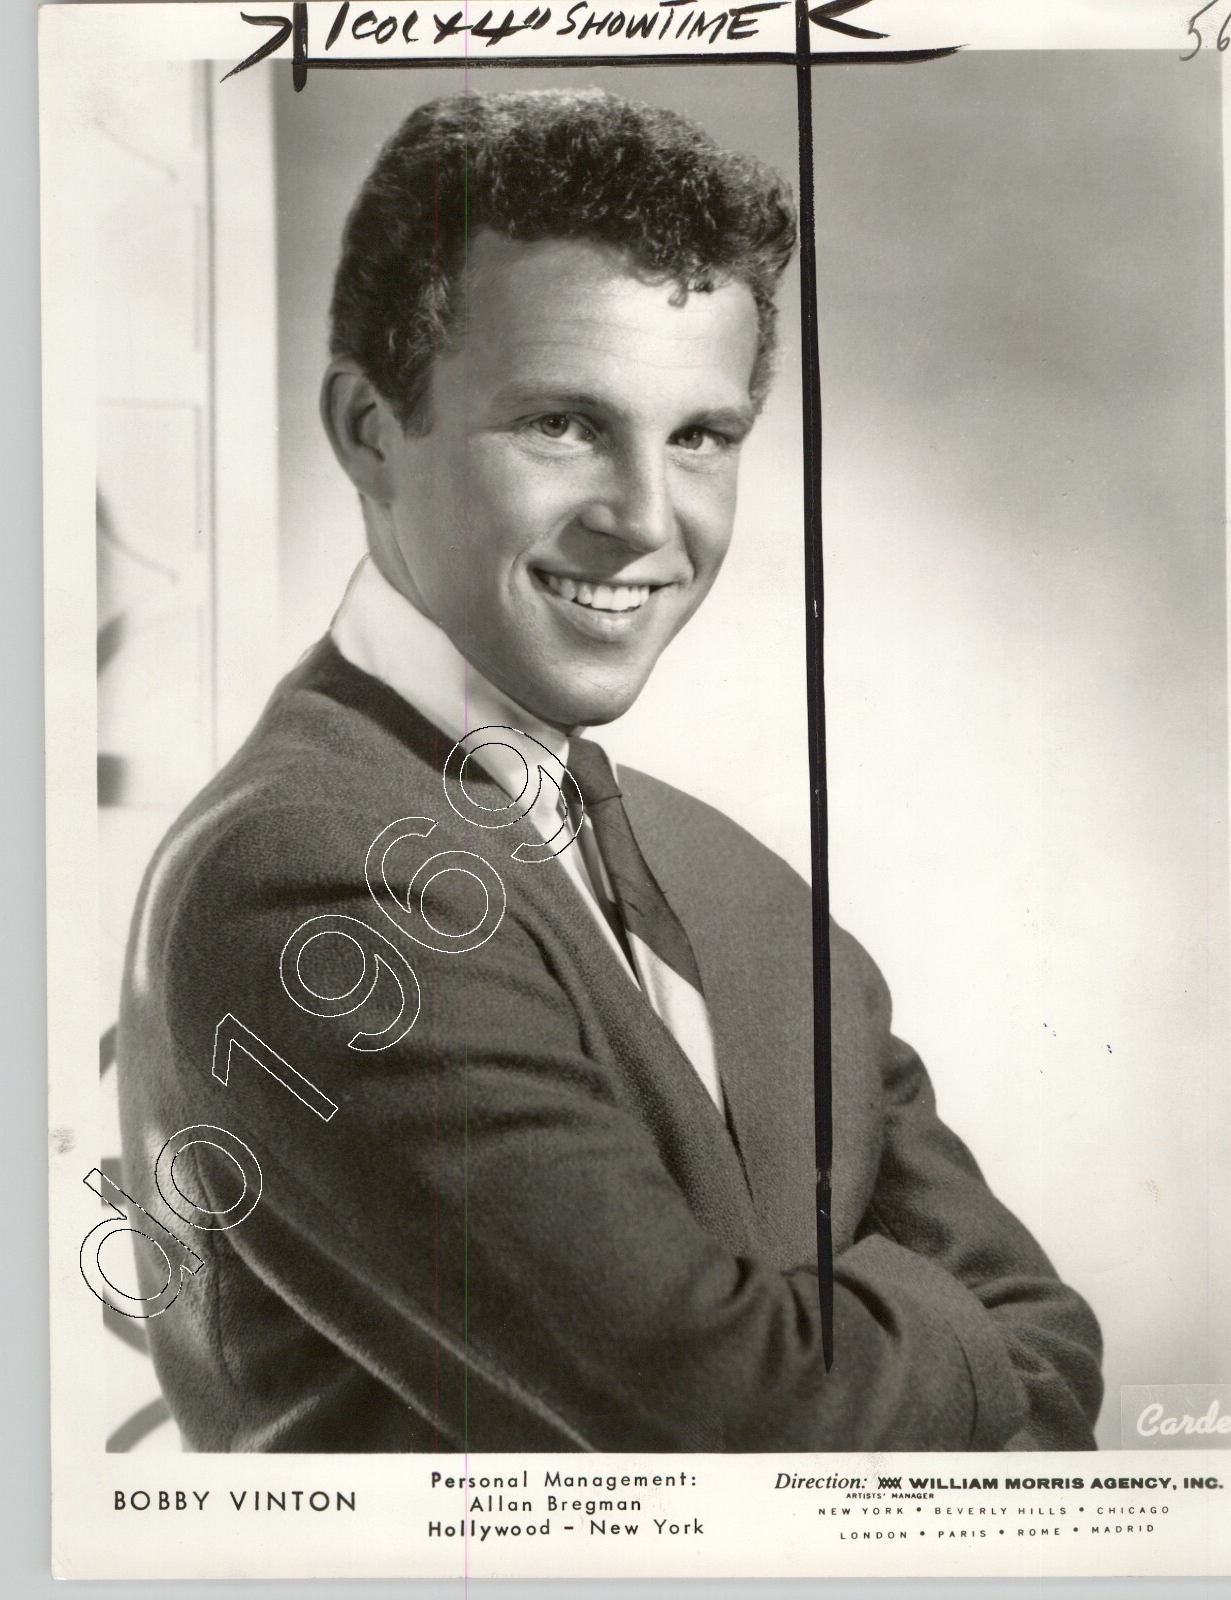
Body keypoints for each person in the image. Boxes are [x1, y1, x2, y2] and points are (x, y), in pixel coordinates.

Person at [117, 87, 1102, 1452]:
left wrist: (850, 1357)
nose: (644, 520)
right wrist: (912, 1352)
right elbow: (745, 1423)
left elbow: (1054, 1343)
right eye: (561, 423)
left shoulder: (737, 884)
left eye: (699, 436)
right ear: (364, 429)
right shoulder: (306, 869)